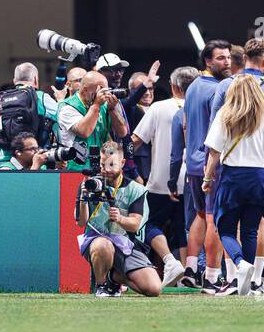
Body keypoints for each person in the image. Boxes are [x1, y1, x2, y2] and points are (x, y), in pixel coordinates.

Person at [202, 74, 264, 296]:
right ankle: (244, 282)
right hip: (257, 178)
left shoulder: (224, 115)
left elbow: (214, 154)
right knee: (250, 231)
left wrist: (207, 180)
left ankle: (239, 264)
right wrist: (263, 183)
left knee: (225, 228)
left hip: (232, 177)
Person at [130, 65, 196, 280]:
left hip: (160, 180)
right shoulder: (203, 105)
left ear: (173, 86)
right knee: (185, 227)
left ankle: (169, 260)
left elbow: (137, 140)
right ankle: (189, 273)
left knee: (147, 224)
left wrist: (119, 154)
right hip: (194, 177)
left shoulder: (159, 107)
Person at [78, 141, 163, 296]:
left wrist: (120, 219)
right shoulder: (90, 183)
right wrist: (83, 200)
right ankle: (102, 285)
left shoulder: (135, 189)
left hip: (126, 244)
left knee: (154, 289)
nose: (106, 170)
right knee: (103, 245)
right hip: (97, 240)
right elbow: (81, 222)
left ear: (123, 163)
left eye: (112, 165)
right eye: (103, 165)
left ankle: (114, 277)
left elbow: (135, 225)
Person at [181, 39, 230, 291]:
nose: (228, 62)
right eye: (221, 58)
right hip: (211, 163)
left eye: (229, 57)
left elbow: (186, 125)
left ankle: (190, 267)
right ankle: (212, 277)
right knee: (215, 220)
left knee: (201, 216)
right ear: (208, 61)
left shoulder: (192, 87)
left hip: (192, 163)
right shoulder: (217, 89)